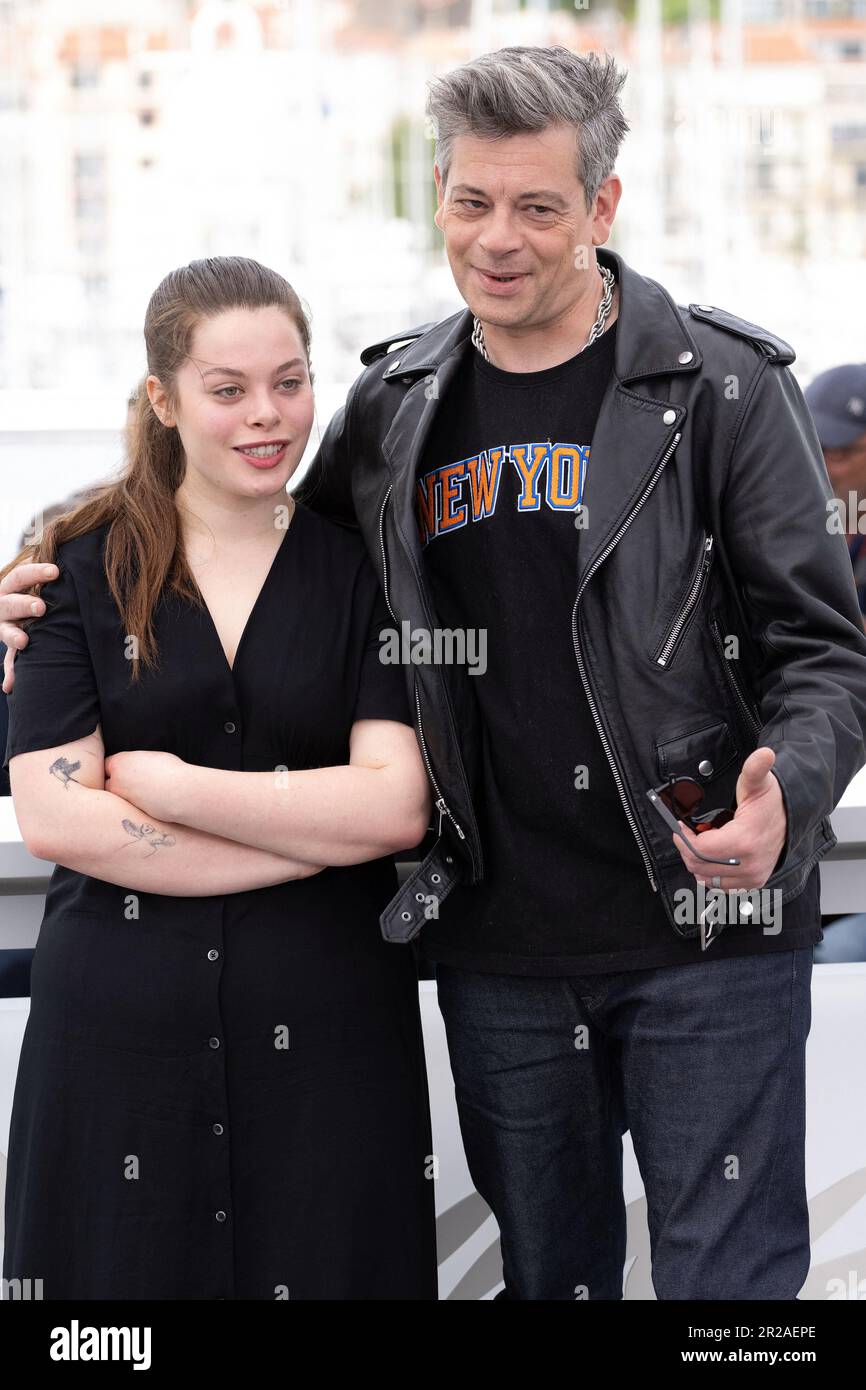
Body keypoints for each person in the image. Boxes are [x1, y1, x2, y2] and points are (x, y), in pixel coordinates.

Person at [285, 46, 865, 1300]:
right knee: (551, 1282)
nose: (497, 239)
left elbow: (825, 649)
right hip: (497, 940)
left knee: (731, 1295)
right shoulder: (392, 405)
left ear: (600, 209)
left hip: (706, 927)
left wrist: (789, 793)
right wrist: (72, 585)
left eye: (536, 207)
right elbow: (279, 597)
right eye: (470, 201)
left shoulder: (719, 386)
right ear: (438, 191)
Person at [0, 255, 436, 1300]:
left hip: (328, 1035)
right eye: (227, 389)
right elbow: (61, 820)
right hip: (119, 1039)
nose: (267, 416)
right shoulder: (71, 563)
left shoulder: (368, 569)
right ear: (163, 398)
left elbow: (394, 805)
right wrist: (305, 843)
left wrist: (170, 787)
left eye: (290, 382)